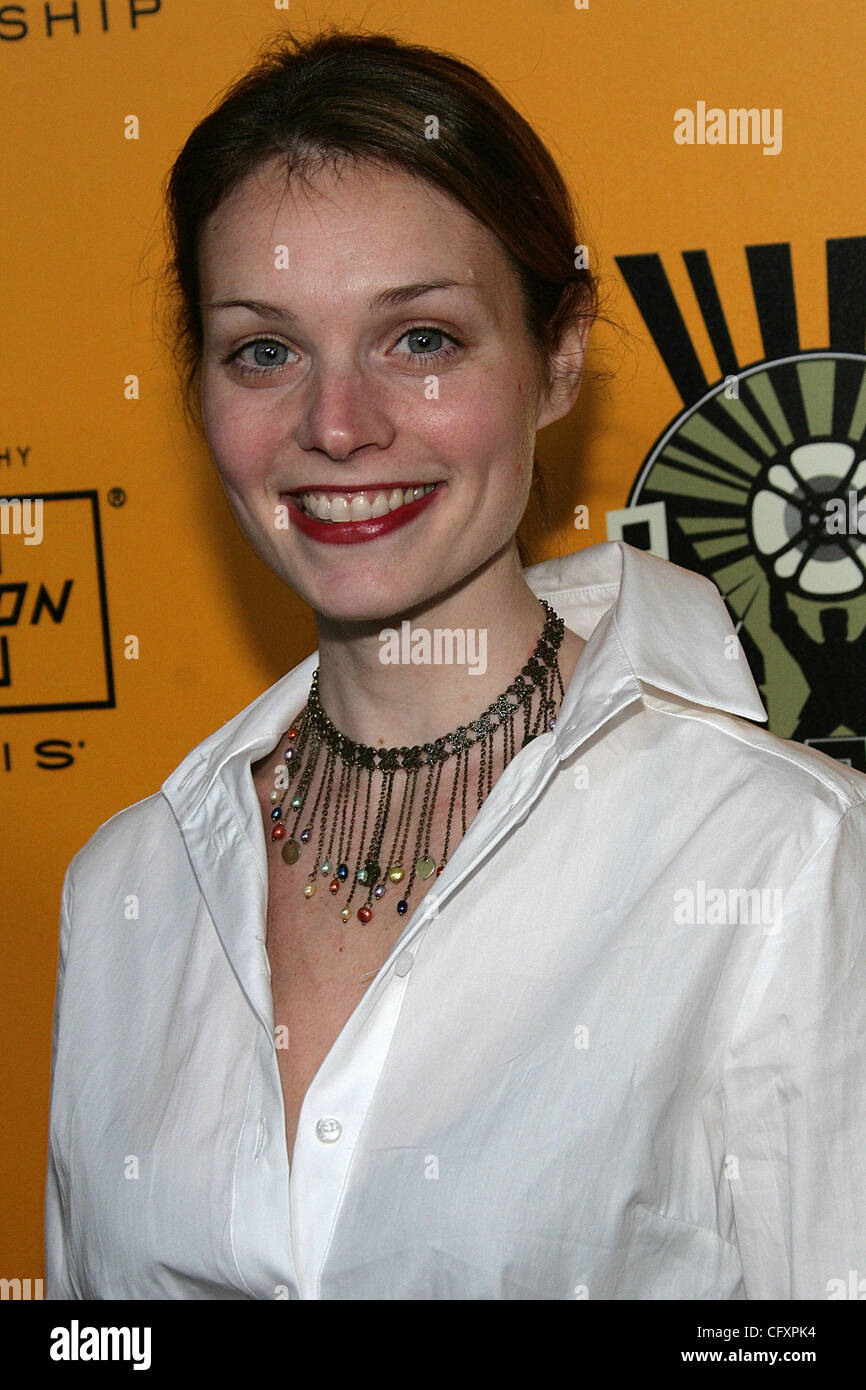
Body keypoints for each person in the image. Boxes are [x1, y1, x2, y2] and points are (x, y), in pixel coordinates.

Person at [46, 26, 866, 1301]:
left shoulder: (783, 855)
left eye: (419, 339)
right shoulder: (123, 890)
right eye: (264, 350)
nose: (335, 424)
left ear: (554, 359)